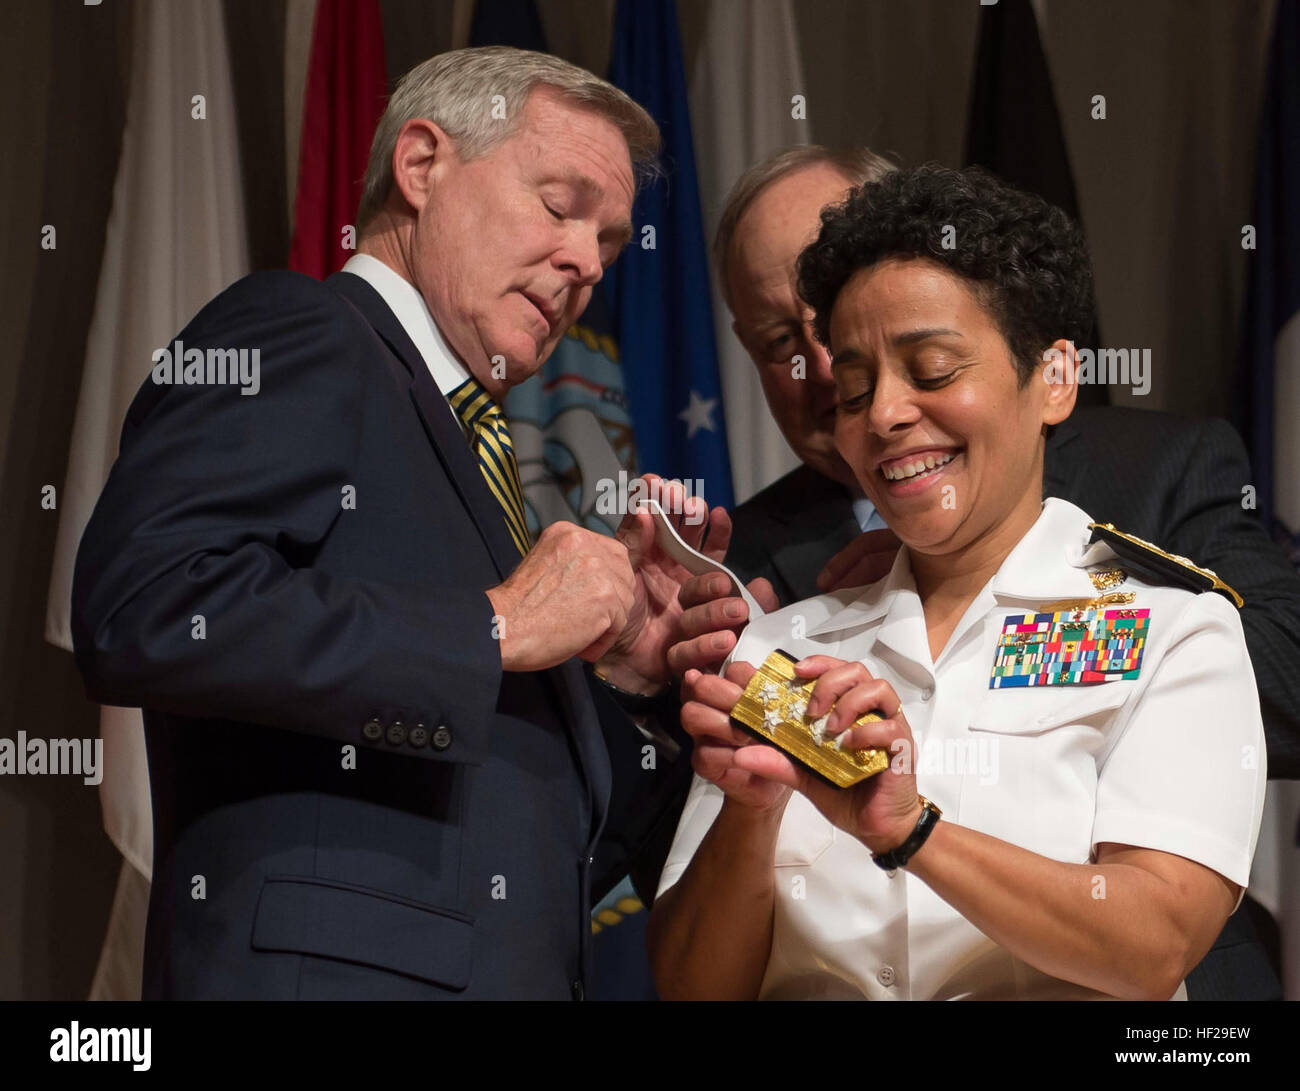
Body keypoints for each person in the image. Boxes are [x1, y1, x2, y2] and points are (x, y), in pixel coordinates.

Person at [70, 46, 727, 1000]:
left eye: (612, 242)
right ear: (422, 166)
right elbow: (147, 604)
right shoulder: (298, 330)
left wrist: (623, 680)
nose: (589, 261)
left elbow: (528, 850)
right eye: (558, 205)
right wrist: (496, 626)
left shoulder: (478, 458)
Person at [661, 144, 1299, 999]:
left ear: (1056, 379)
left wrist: (915, 832)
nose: (884, 414)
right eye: (853, 389)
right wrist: (749, 807)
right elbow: (694, 986)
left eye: (932, 370)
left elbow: (1153, 943)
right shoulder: (780, 641)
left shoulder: (1171, 630)